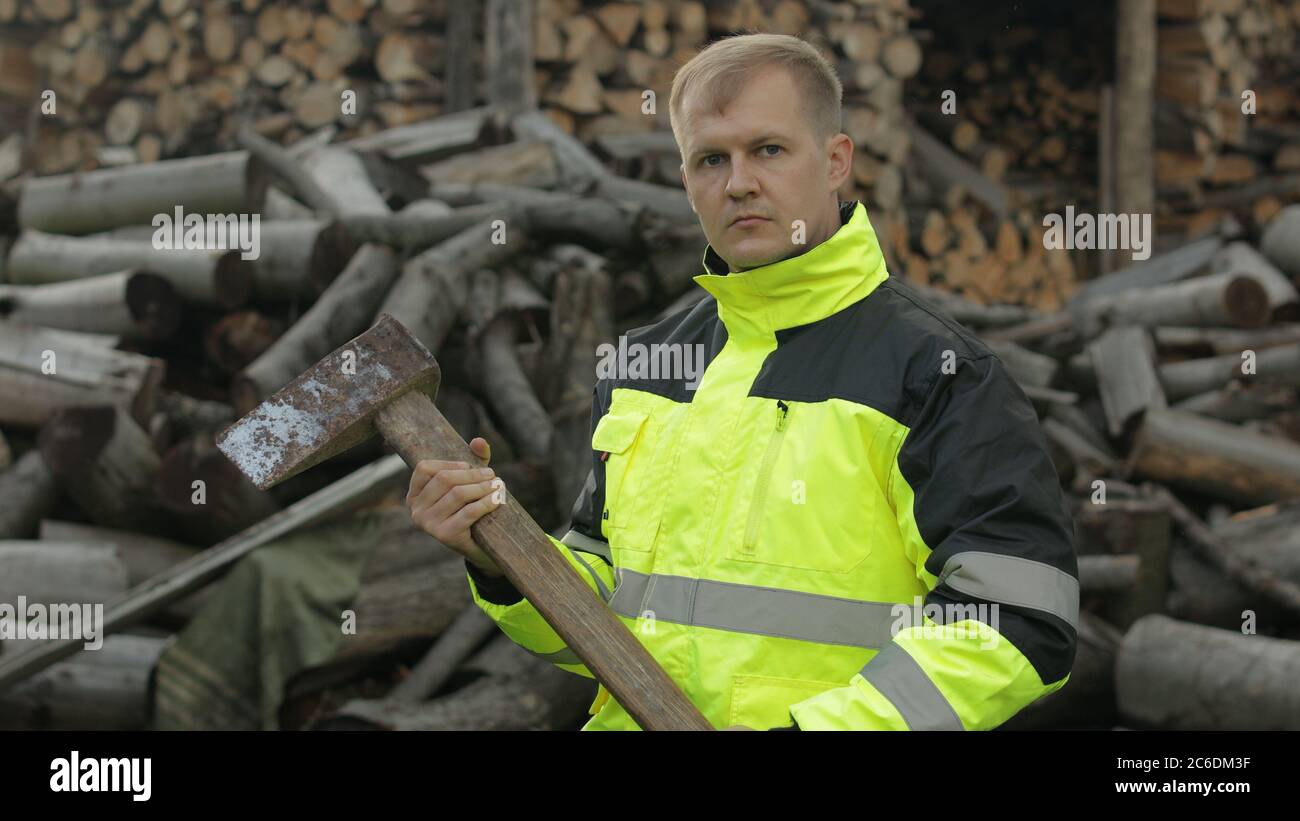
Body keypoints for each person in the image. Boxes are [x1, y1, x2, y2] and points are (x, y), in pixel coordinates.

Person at [406, 32, 1078, 730]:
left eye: (769, 150)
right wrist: (495, 553)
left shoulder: (937, 374)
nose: (739, 183)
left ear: (837, 159)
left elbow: (1018, 623)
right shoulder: (649, 363)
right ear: (685, 180)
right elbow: (601, 614)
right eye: (710, 159)